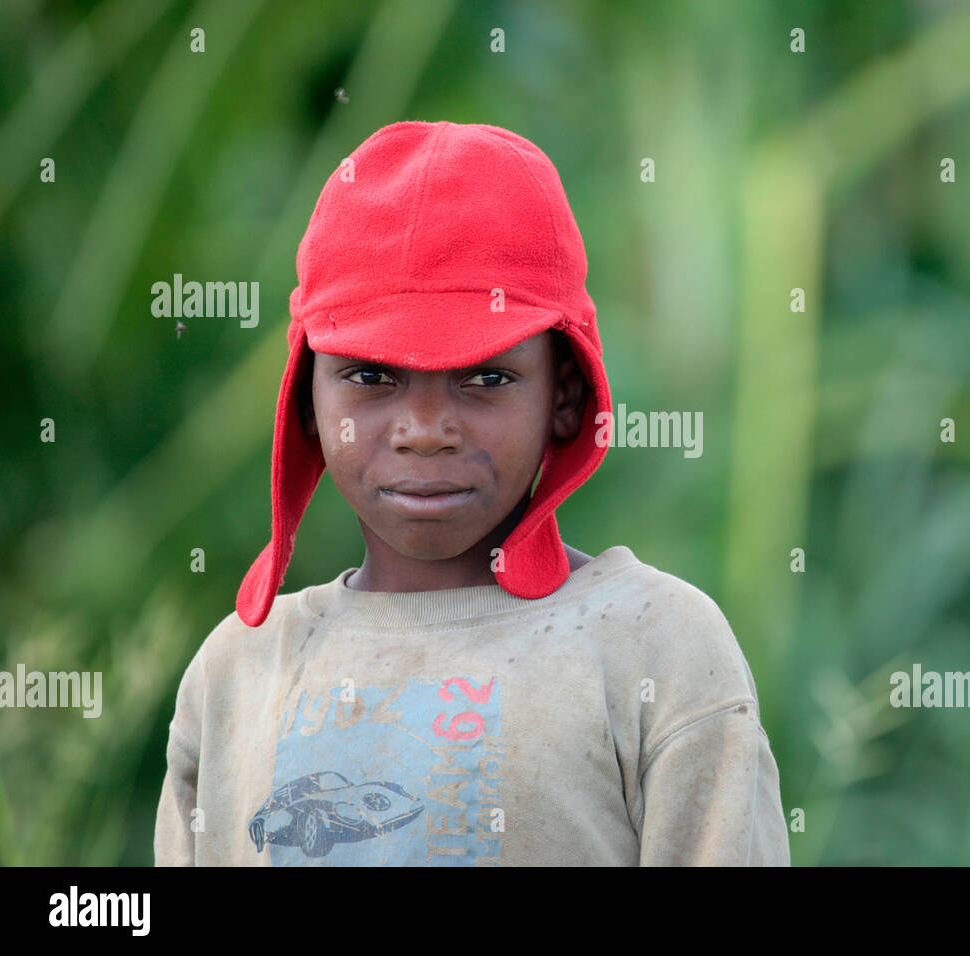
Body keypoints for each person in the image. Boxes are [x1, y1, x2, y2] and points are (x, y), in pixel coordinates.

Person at [153, 121, 789, 866]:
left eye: (486, 377)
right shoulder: (237, 672)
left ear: (565, 396)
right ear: (305, 404)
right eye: (370, 375)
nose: (425, 430)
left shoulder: (656, 648)